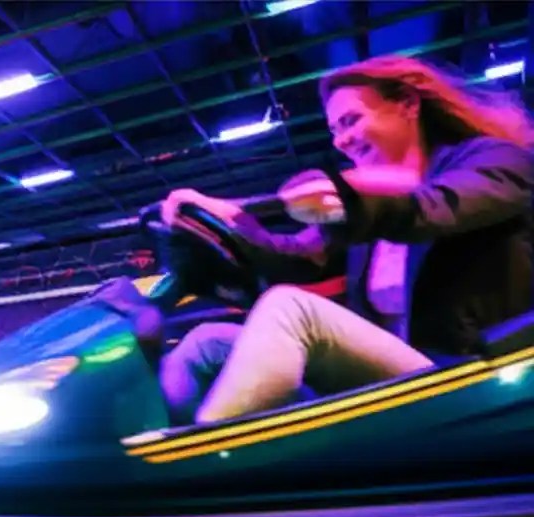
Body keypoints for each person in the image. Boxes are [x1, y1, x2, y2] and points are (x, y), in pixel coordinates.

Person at [158, 54, 534, 425]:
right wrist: (228, 218)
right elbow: (301, 255)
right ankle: (167, 451)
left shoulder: (495, 160)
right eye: (335, 130)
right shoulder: (369, 216)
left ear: (407, 104)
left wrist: (353, 197)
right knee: (205, 340)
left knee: (291, 310)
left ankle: (211, 467)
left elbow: (436, 208)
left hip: (470, 379)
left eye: (351, 121)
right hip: (400, 377)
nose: (341, 141)